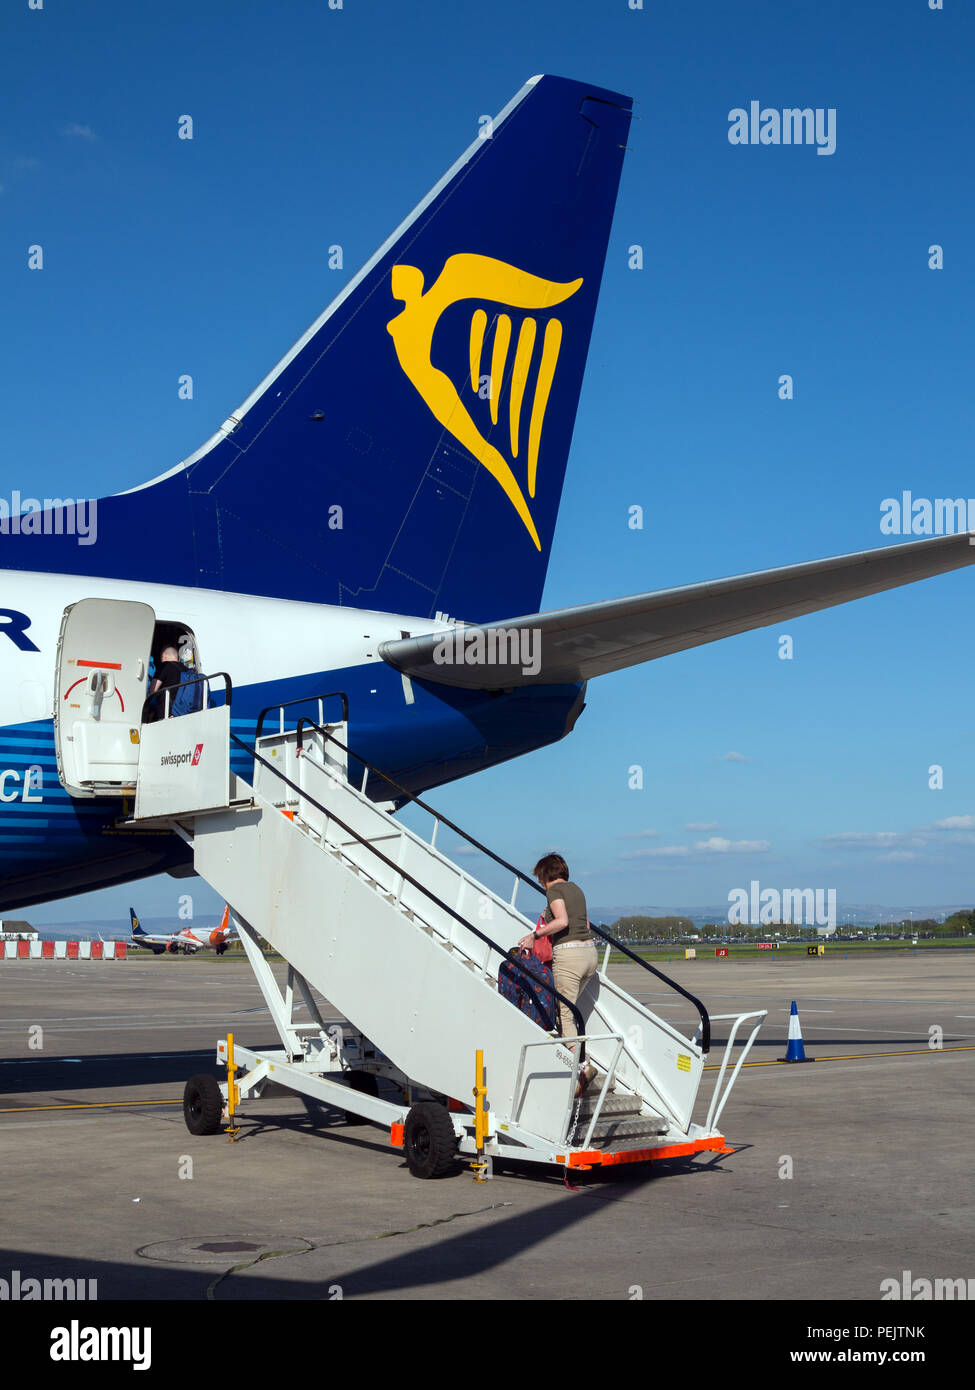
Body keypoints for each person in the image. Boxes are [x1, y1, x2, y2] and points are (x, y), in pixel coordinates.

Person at [519, 852, 599, 1092]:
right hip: (589, 954)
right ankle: (577, 1061)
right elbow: (582, 924)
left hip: (570, 955)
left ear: (545, 875)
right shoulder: (576, 890)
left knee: (563, 1013)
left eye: (540, 879)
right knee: (570, 1009)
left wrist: (534, 935)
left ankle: (582, 1067)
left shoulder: (553, 891)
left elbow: (563, 922)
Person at [145, 646, 185, 721]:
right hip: (183, 713)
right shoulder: (187, 670)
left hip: (166, 714)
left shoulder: (165, 666)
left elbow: (152, 691)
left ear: (164, 656)